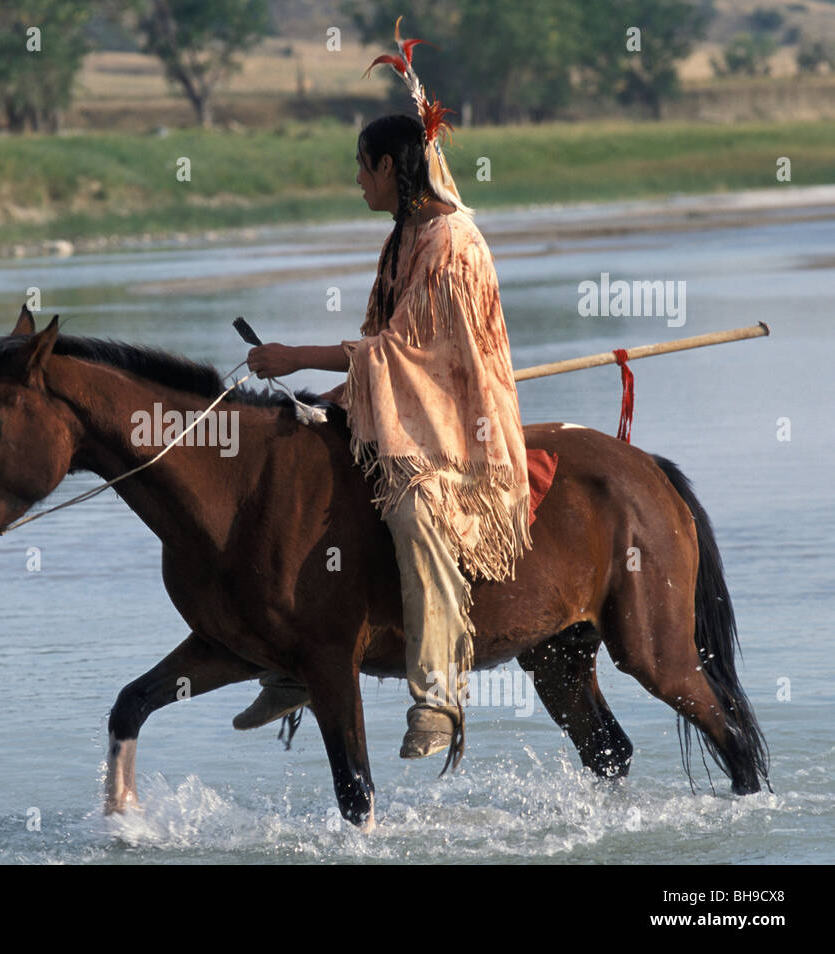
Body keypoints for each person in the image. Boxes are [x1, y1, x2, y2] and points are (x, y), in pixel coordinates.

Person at [236, 39, 532, 769]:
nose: (356, 183)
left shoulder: (453, 244)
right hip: (400, 404)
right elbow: (381, 340)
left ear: (391, 169)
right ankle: (291, 666)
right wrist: (327, 395)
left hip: (452, 427)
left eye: (361, 169)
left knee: (415, 514)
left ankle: (437, 695)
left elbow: (408, 350)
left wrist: (293, 357)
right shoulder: (403, 237)